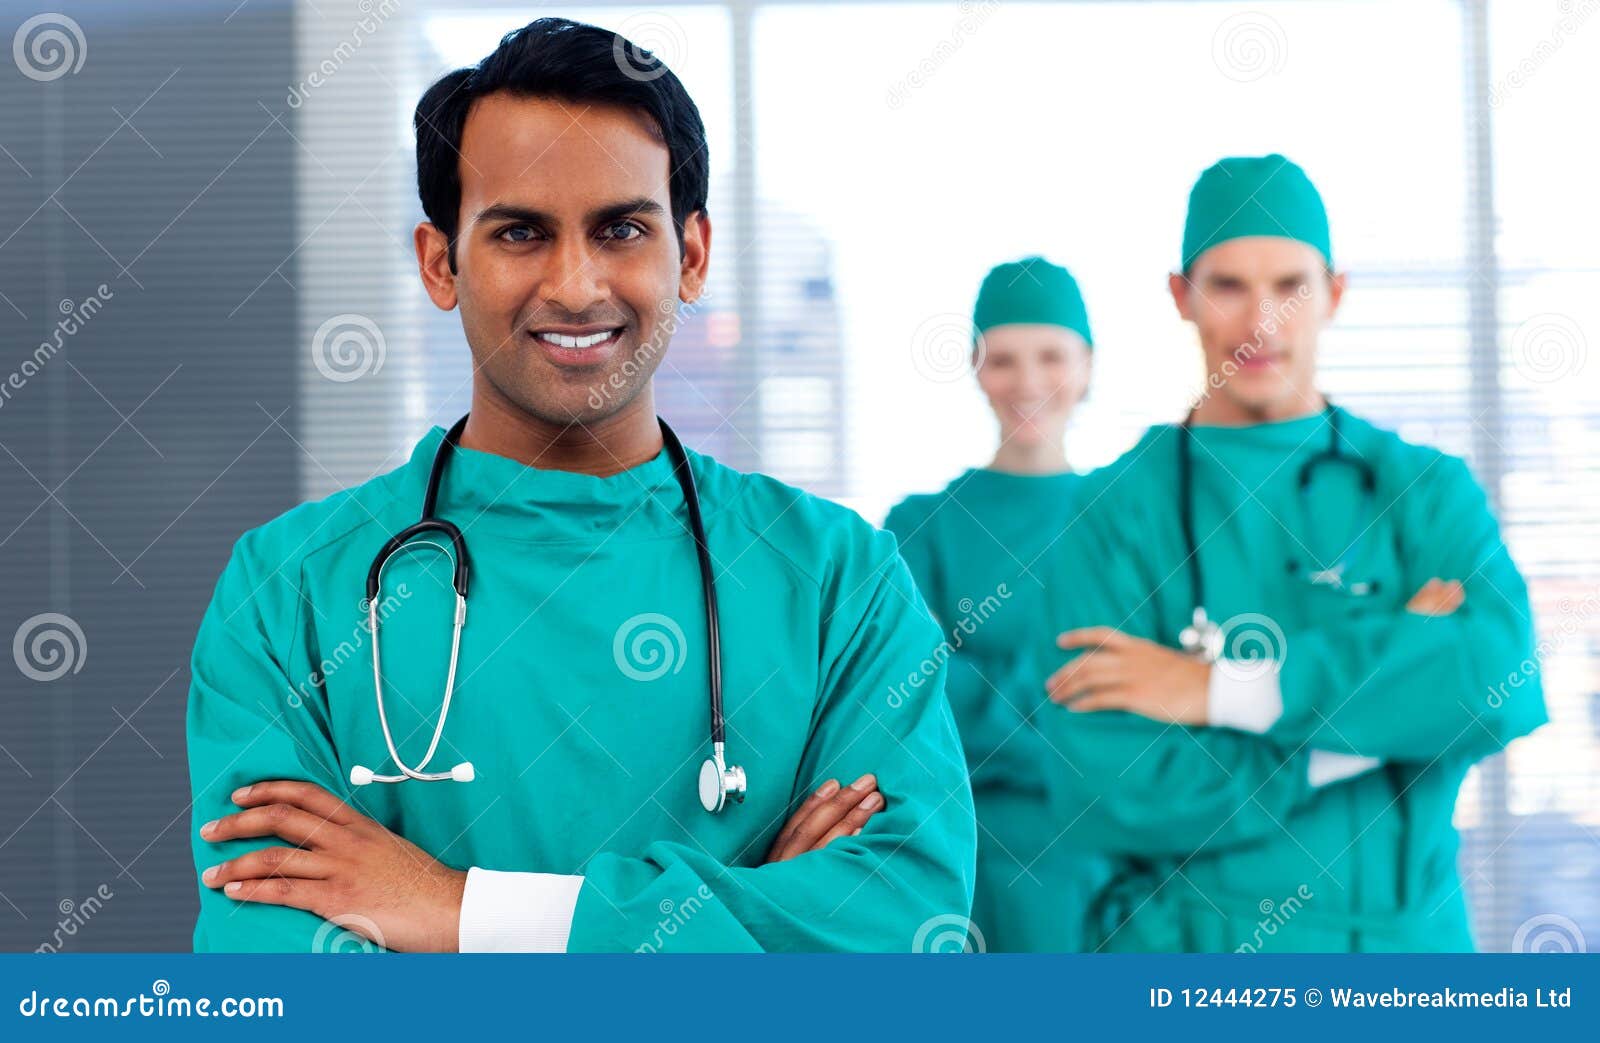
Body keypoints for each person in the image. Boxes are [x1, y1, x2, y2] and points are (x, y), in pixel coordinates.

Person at [186, 17, 974, 953]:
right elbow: (281, 981)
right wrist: (744, 923)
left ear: (691, 255)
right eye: (520, 231)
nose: (573, 284)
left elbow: (899, 939)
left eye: (621, 229)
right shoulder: (287, 594)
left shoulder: (841, 581)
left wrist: (453, 909)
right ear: (441, 263)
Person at [1031, 154, 1546, 951]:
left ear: (1335, 294)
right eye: (1229, 285)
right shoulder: (1109, 514)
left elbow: (1495, 680)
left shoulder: (1423, 490)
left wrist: (1220, 689)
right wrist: (1361, 730)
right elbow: (1104, 785)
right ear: (1181, 297)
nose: (1260, 322)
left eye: (1290, 286)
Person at [885, 258, 1109, 951]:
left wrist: (985, 687)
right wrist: (1074, 698)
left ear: (1089, 365)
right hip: (960, 859)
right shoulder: (922, 525)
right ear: (977, 368)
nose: (1030, 382)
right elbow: (909, 697)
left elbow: (1164, 702)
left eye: (1051, 355)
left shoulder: (1130, 517)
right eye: (1004, 358)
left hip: (1111, 864)